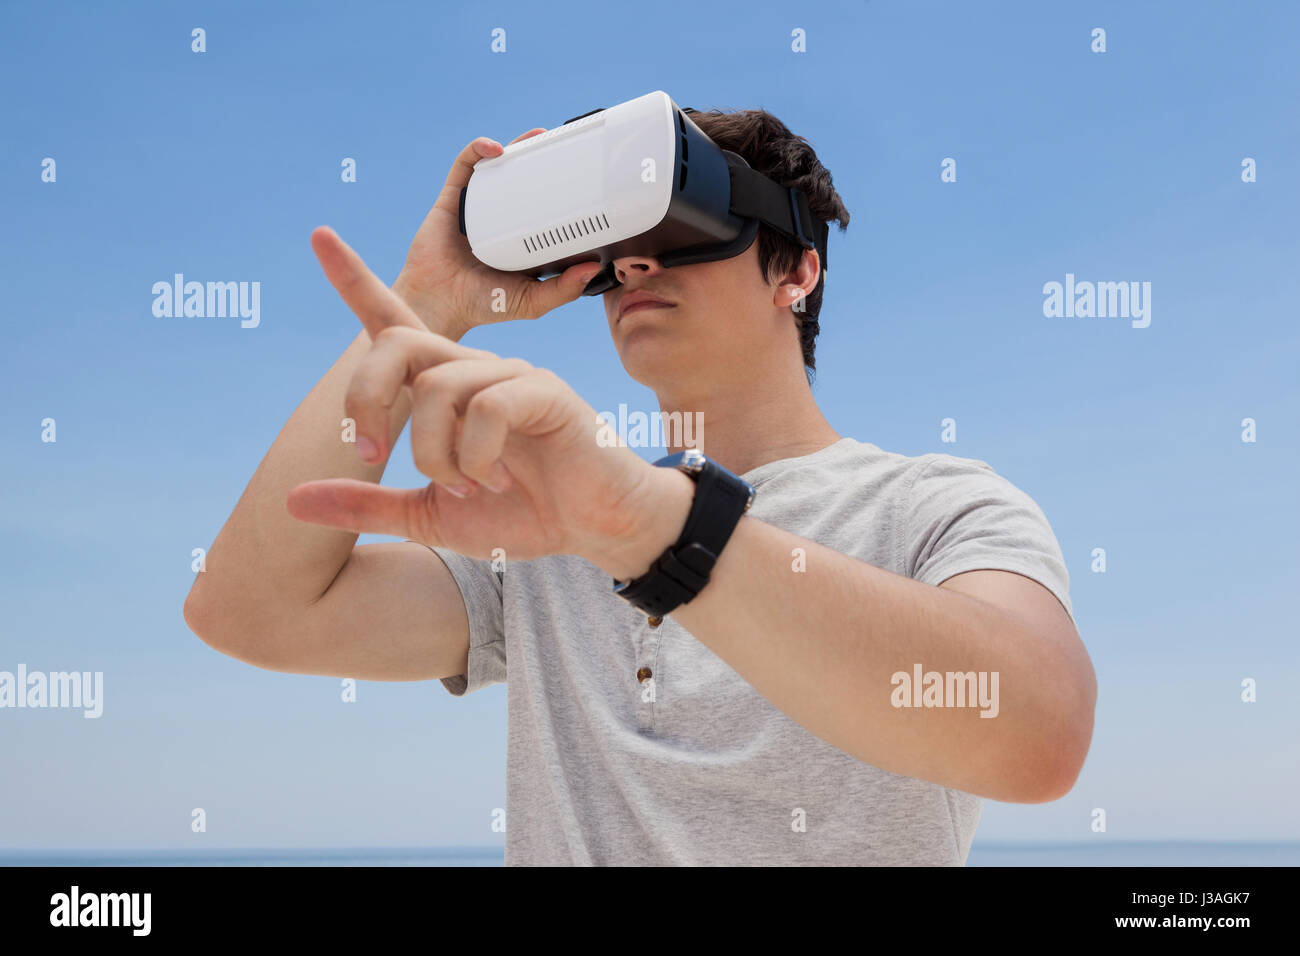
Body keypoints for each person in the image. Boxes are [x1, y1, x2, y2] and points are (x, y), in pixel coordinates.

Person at [183, 105, 1096, 865]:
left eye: (679, 228)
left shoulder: (932, 506)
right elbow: (250, 612)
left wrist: (650, 528)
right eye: (617, 245)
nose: (633, 266)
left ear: (797, 270)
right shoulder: (551, 533)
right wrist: (430, 303)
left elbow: (1040, 735)